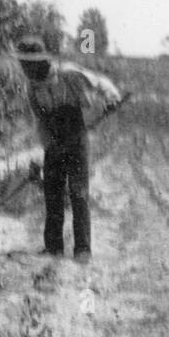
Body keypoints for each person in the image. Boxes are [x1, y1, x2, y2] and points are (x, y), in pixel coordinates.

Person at [14, 35, 123, 262]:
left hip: (76, 138)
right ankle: (53, 247)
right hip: (54, 142)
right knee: (52, 194)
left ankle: (83, 250)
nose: (25, 68)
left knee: (78, 194)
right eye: (22, 64)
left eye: (27, 64)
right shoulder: (33, 89)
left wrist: (112, 98)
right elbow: (40, 121)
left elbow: (100, 83)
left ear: (40, 61)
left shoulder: (68, 74)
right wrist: (50, 146)